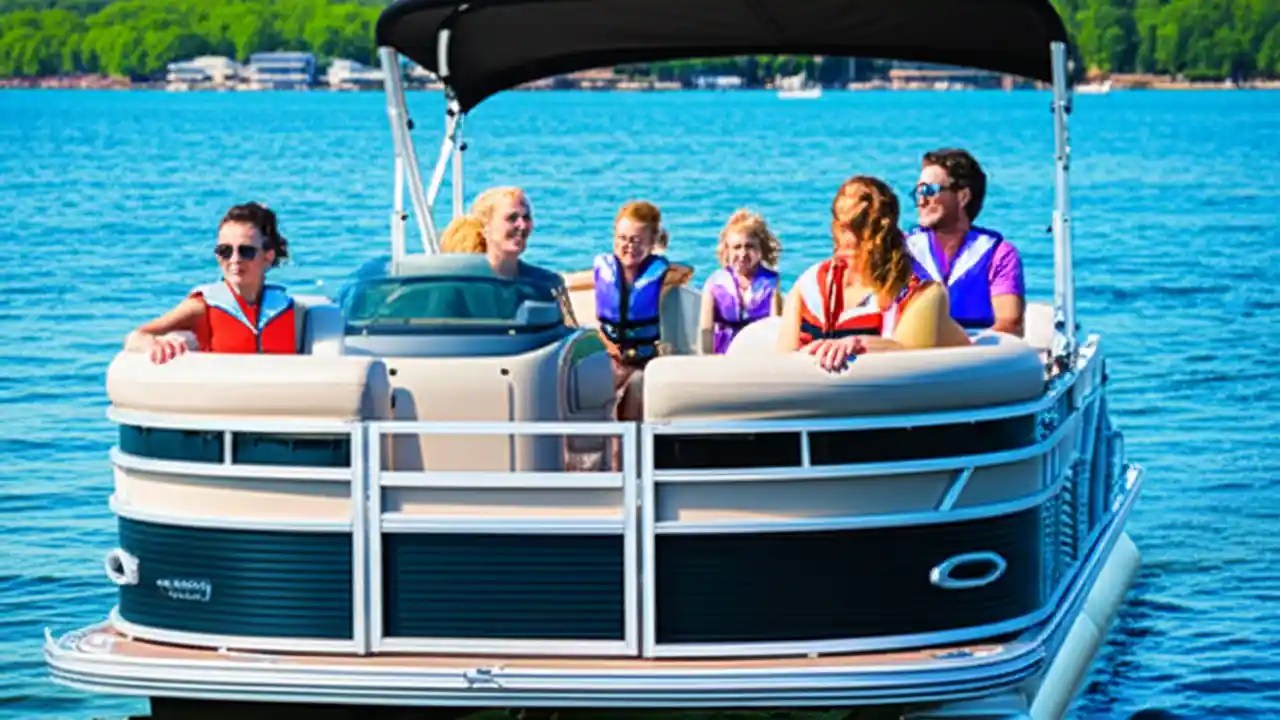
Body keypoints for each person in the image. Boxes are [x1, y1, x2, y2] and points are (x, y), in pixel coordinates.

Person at [778, 176, 968, 372]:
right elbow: (784, 360)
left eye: (857, 228)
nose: (846, 239)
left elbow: (911, 356)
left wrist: (859, 343)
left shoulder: (921, 296)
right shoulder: (810, 287)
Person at [125, 202, 295, 364]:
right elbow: (136, 336)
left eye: (246, 251)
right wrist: (156, 345)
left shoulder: (286, 307)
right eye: (225, 251)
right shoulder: (202, 306)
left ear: (268, 256)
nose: (234, 260)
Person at [906, 148, 1025, 335]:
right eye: (918, 192)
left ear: (963, 197)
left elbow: (1010, 325)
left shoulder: (999, 255)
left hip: (976, 357)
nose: (921, 200)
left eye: (929, 191)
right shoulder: (902, 251)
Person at [594, 200, 671, 420]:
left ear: (652, 242)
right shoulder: (603, 269)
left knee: (636, 384)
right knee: (598, 386)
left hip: (642, 359)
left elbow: (683, 272)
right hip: (609, 355)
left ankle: (629, 449)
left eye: (637, 241)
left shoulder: (659, 273)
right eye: (623, 239)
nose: (629, 246)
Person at [699, 209, 782, 354]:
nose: (743, 254)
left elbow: (776, 328)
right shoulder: (714, 284)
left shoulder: (771, 284)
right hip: (723, 357)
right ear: (727, 251)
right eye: (737, 247)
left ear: (761, 249)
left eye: (749, 246)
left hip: (758, 355)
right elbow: (706, 330)